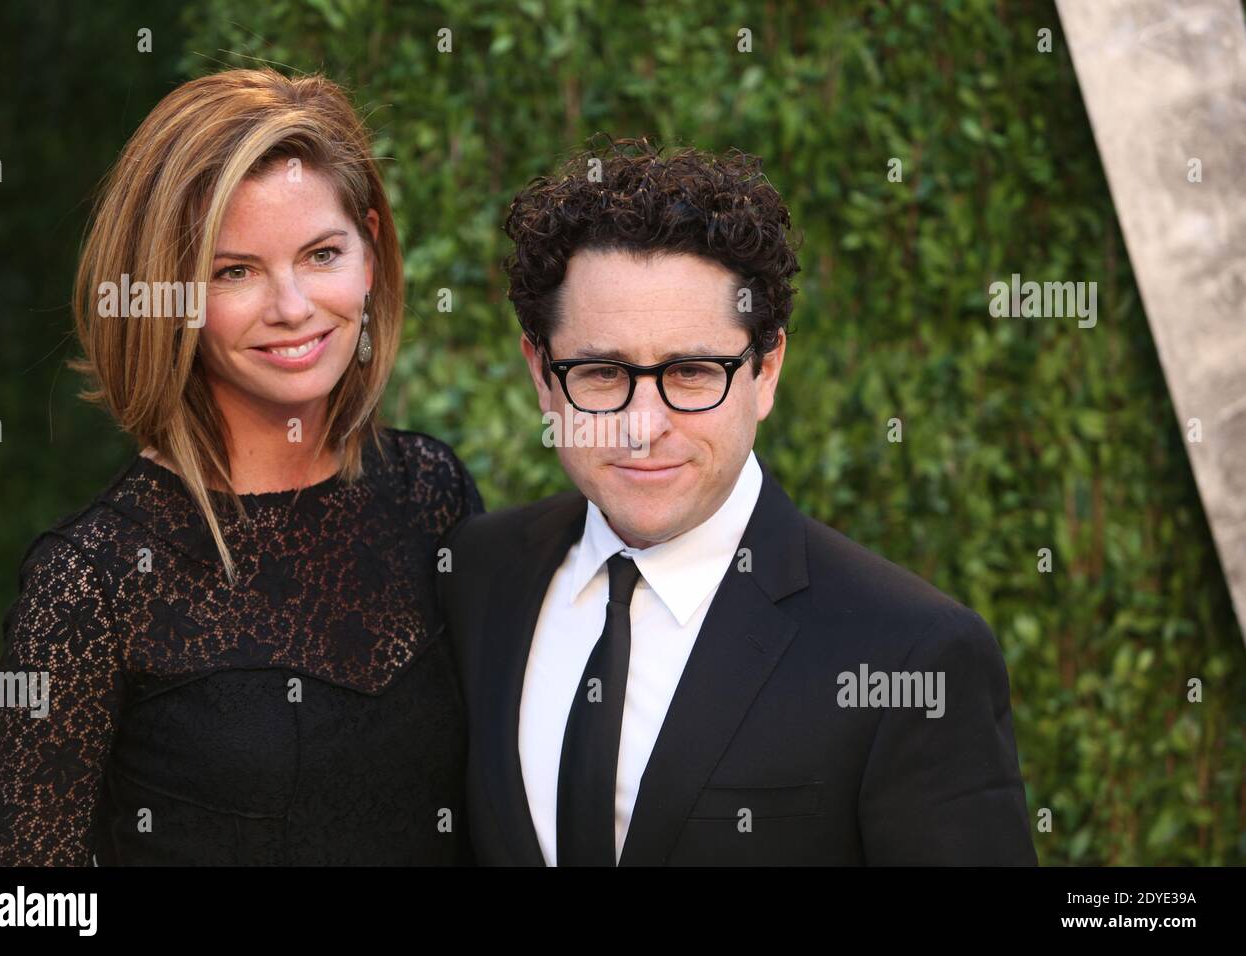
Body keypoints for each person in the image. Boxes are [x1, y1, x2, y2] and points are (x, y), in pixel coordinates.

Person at [439, 138, 1037, 866]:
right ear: (542, 373)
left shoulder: (914, 651)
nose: (644, 425)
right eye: (600, 372)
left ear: (766, 371)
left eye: (692, 373)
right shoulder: (480, 573)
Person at [0, 68, 481, 865]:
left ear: (372, 252)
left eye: (321, 254)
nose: (291, 307)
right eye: (233, 271)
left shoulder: (431, 492)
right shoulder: (90, 584)